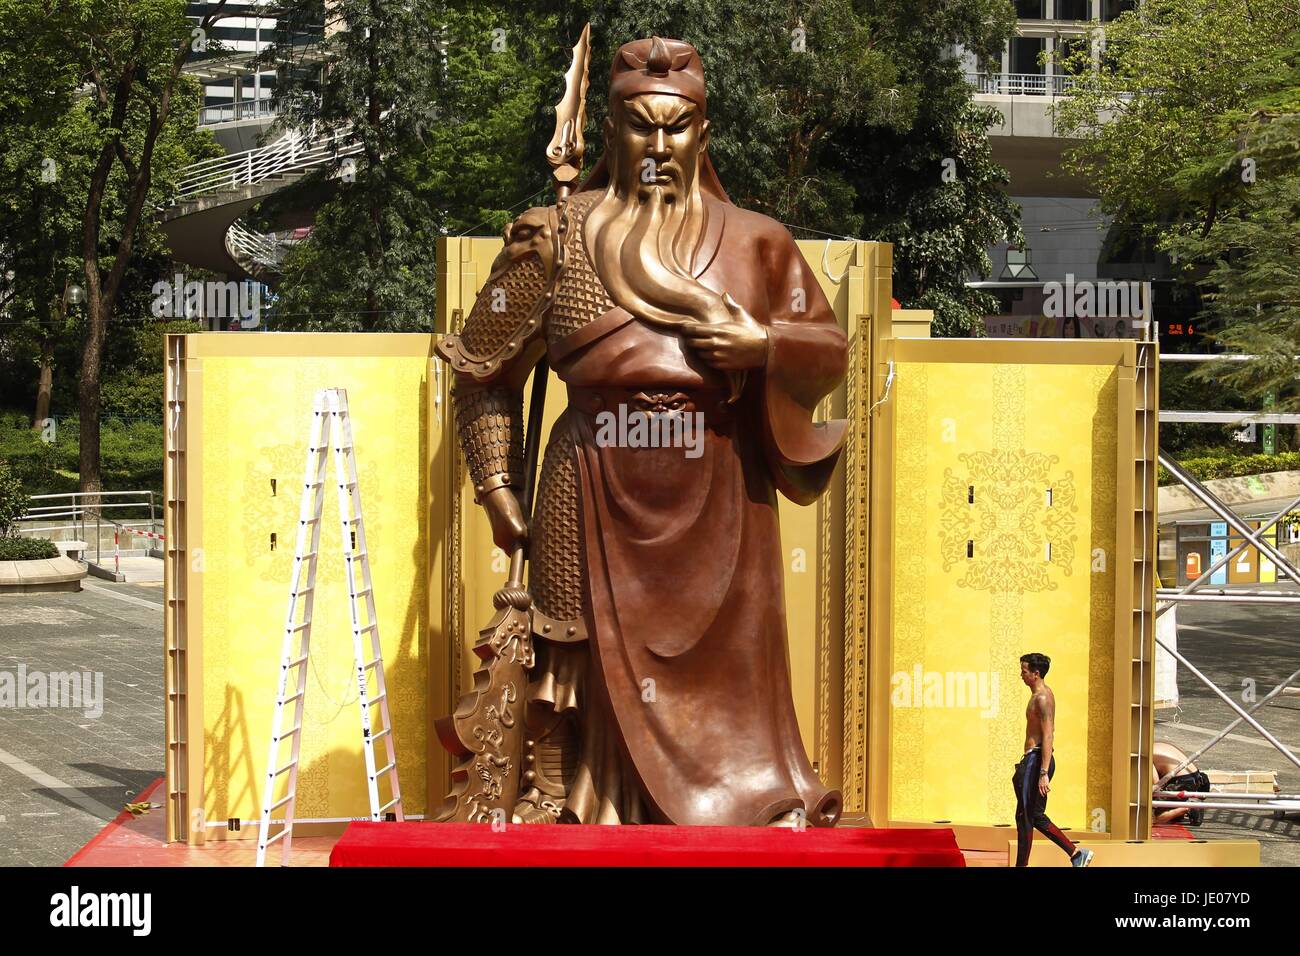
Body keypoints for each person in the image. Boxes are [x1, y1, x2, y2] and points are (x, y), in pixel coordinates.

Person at [436, 36, 846, 827]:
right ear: (611, 131)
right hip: (591, 468)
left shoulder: (758, 241)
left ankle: (742, 789)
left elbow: (828, 349)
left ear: (704, 135)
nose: (659, 146)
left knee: (733, 665)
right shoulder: (553, 233)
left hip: (719, 477)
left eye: (676, 127)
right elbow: (481, 370)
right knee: (567, 644)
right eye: (639, 126)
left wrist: (765, 347)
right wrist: (496, 487)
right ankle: (559, 790)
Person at [1014, 653, 1094, 866]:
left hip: (1037, 761)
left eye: (1024, 671)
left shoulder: (1043, 698)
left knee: (1025, 817)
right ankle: (1076, 854)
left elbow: (1048, 734)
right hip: (1032, 761)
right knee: (1034, 815)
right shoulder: (1038, 695)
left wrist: (1043, 773)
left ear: (1035, 673)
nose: (1021, 675)